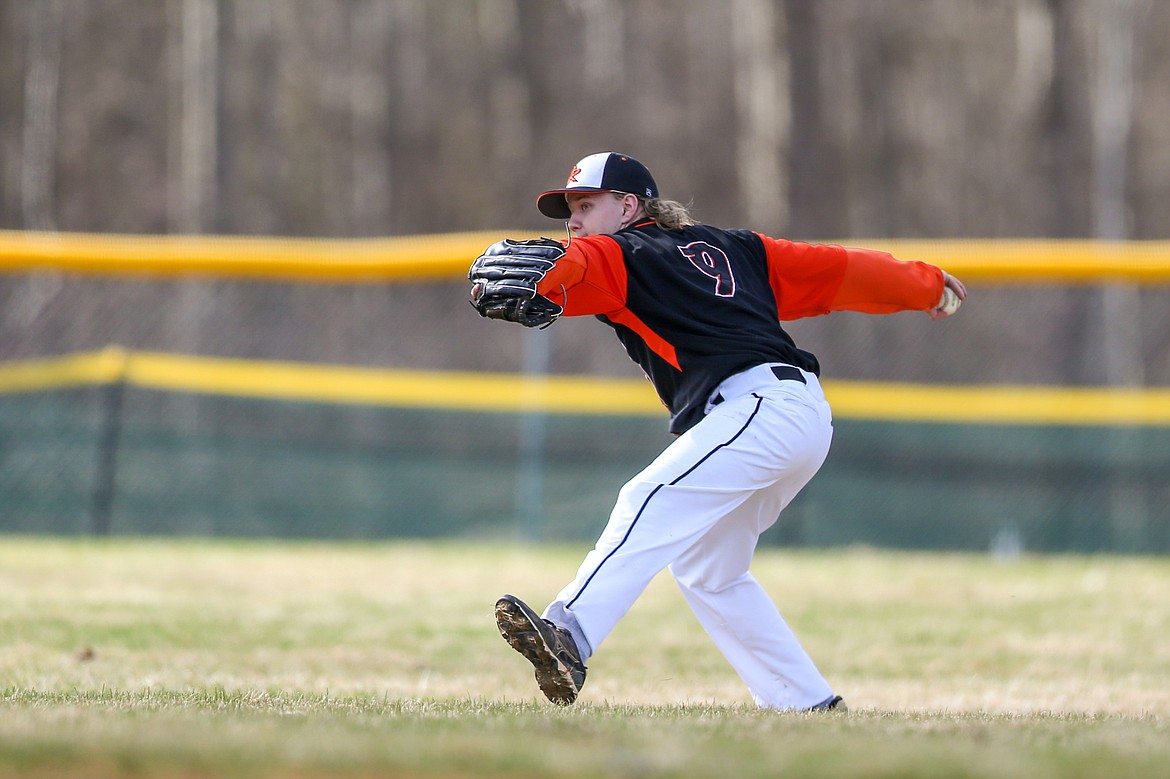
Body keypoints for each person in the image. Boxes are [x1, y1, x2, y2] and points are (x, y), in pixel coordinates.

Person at [468, 151, 967, 711]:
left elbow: (579, 264)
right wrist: (926, 285)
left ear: (628, 206)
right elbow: (839, 270)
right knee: (709, 570)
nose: (574, 222)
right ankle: (805, 703)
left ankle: (570, 633)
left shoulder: (617, 253)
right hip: (798, 417)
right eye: (570, 212)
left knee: (647, 496)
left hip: (757, 411)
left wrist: (551, 271)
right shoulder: (739, 249)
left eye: (586, 206)